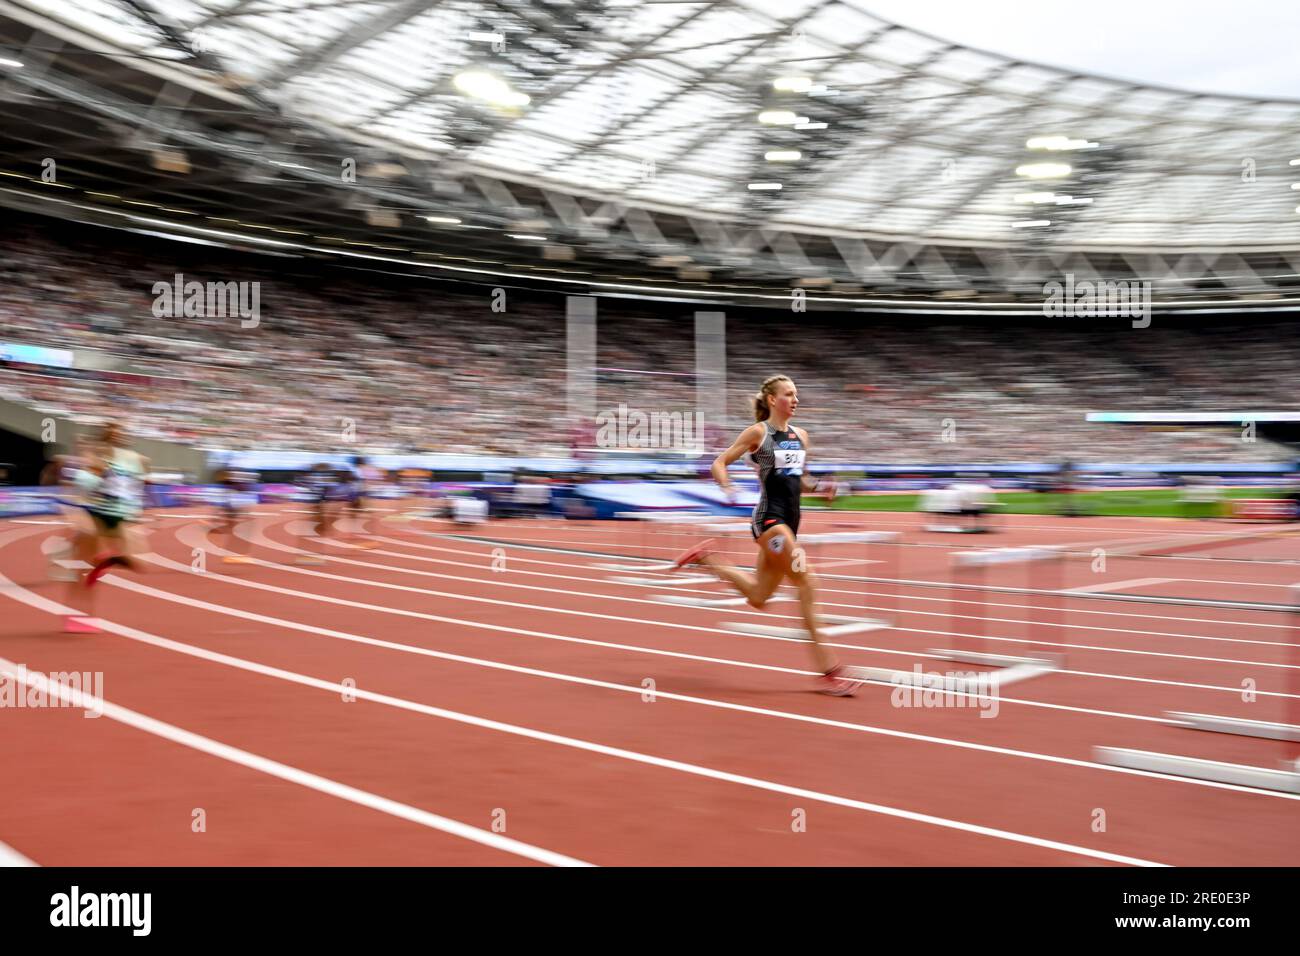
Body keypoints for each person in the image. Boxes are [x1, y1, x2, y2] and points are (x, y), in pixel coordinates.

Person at [672, 375, 865, 696]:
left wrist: (821, 489)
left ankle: (708, 558)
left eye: (797, 394)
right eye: (789, 394)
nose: (796, 399)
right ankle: (830, 670)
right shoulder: (758, 433)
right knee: (807, 581)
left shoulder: (801, 436)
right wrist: (726, 485)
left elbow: (800, 479)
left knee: (760, 597)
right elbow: (720, 461)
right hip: (769, 520)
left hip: (791, 521)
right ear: (773, 400)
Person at [62, 422, 149, 633]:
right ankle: (81, 615)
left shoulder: (133, 460)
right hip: (96, 513)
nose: (117, 436)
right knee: (81, 568)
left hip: (119, 515)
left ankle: (105, 560)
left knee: (139, 560)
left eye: (119, 432)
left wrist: (136, 511)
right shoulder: (95, 456)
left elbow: (135, 489)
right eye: (112, 433)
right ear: (105, 437)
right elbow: (82, 485)